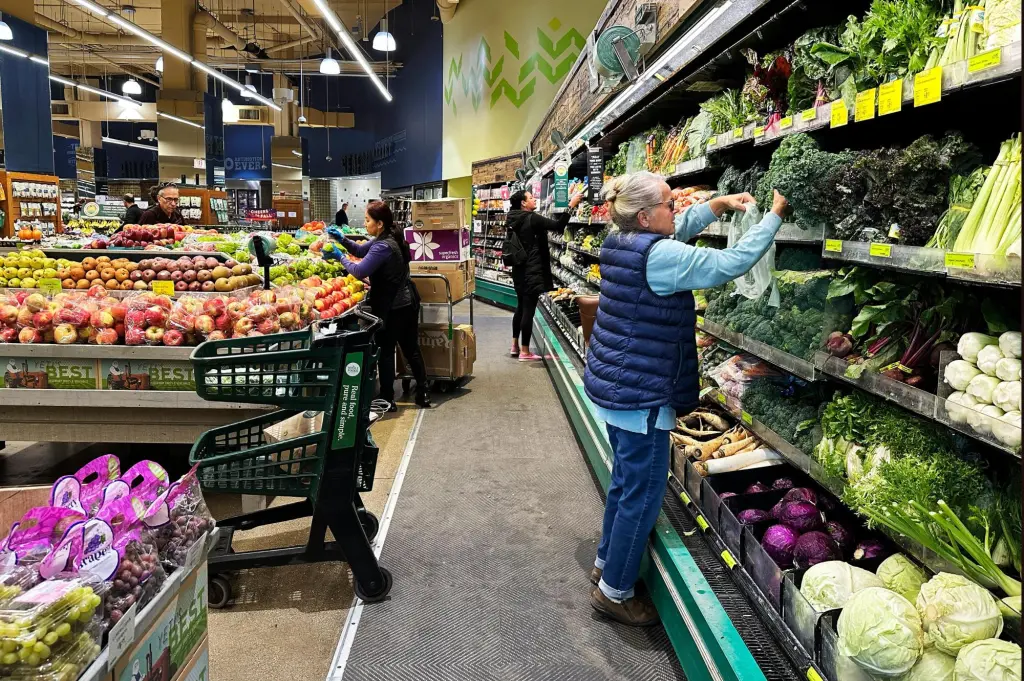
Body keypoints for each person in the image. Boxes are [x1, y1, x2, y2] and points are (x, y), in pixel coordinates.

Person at [583, 172, 788, 627]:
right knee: (644, 493)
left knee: (625, 482)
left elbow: (674, 230)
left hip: (617, 385)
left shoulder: (620, 240)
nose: (675, 207)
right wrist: (774, 216)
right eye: (668, 204)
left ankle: (605, 561)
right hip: (643, 393)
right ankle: (615, 592)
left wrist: (715, 207)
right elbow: (731, 262)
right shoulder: (659, 256)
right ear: (644, 215)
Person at [338, 201, 431, 411]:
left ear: (379, 223)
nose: (365, 224)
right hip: (408, 303)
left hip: (392, 307)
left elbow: (360, 270)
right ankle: (423, 393)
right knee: (411, 348)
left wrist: (339, 257)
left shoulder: (382, 245)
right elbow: (360, 250)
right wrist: (342, 240)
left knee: (386, 351)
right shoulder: (391, 236)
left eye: (367, 220)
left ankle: (388, 400)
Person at [506, 189, 583, 361]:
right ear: (523, 203)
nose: (534, 200)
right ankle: (525, 351)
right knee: (528, 309)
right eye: (531, 198)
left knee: (520, 307)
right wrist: (571, 205)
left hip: (519, 269)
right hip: (532, 269)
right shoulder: (532, 218)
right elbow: (558, 226)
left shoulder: (513, 218)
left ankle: (514, 345)